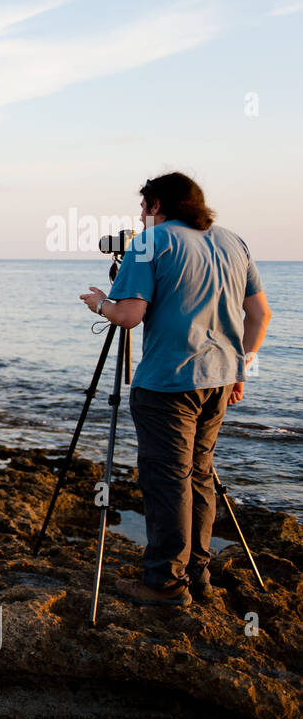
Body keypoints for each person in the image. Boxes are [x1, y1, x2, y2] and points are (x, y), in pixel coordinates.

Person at [79, 172, 272, 607]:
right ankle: (197, 575)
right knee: (199, 475)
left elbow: (128, 315)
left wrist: (99, 304)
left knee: (168, 481)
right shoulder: (233, 241)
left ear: (157, 205)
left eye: (144, 206)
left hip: (168, 383)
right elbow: (260, 315)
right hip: (220, 379)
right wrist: (242, 365)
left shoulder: (149, 243)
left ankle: (164, 583)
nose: (141, 215)